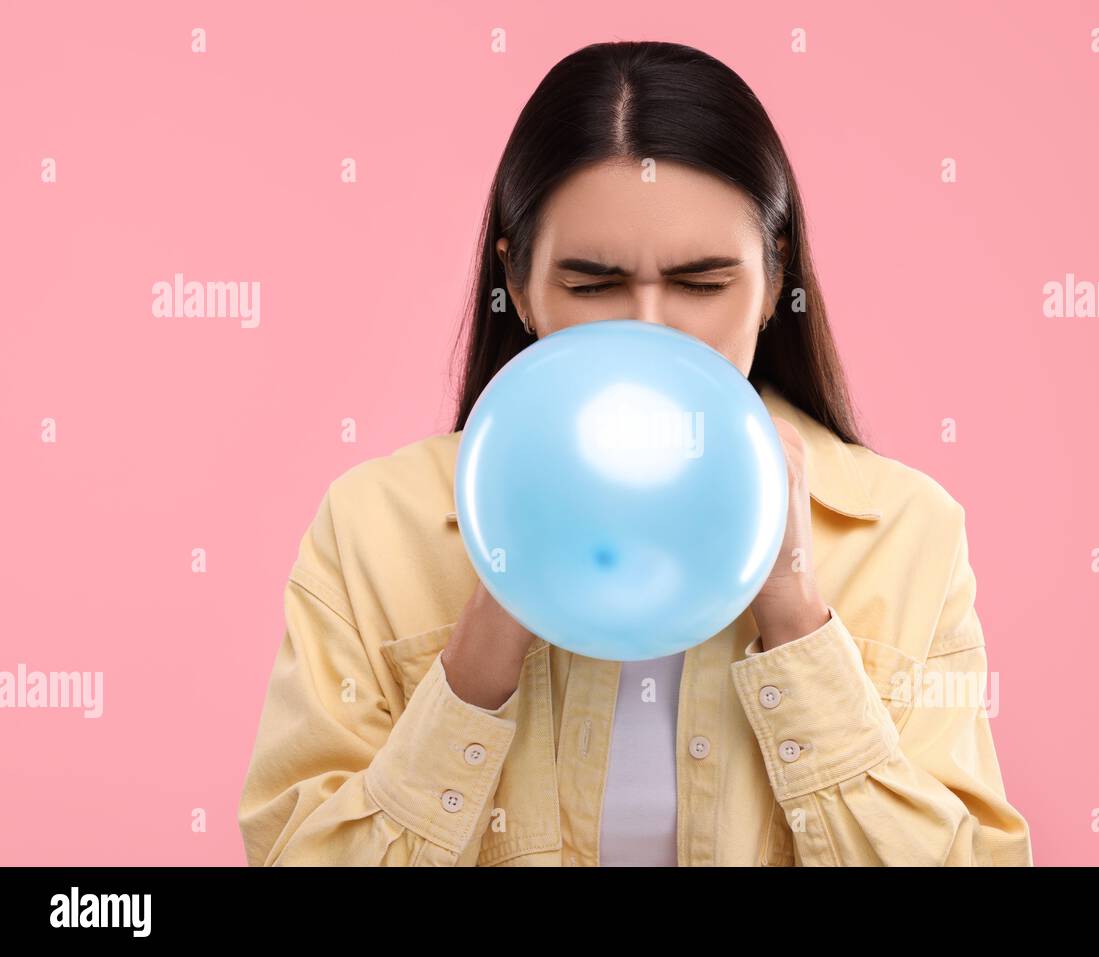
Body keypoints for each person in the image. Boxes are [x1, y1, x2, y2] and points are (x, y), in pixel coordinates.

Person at [237, 40, 1033, 867]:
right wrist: (486, 641)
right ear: (518, 284)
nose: (649, 332)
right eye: (591, 285)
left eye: (701, 284)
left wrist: (796, 616)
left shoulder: (907, 534)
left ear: (774, 279)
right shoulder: (374, 527)